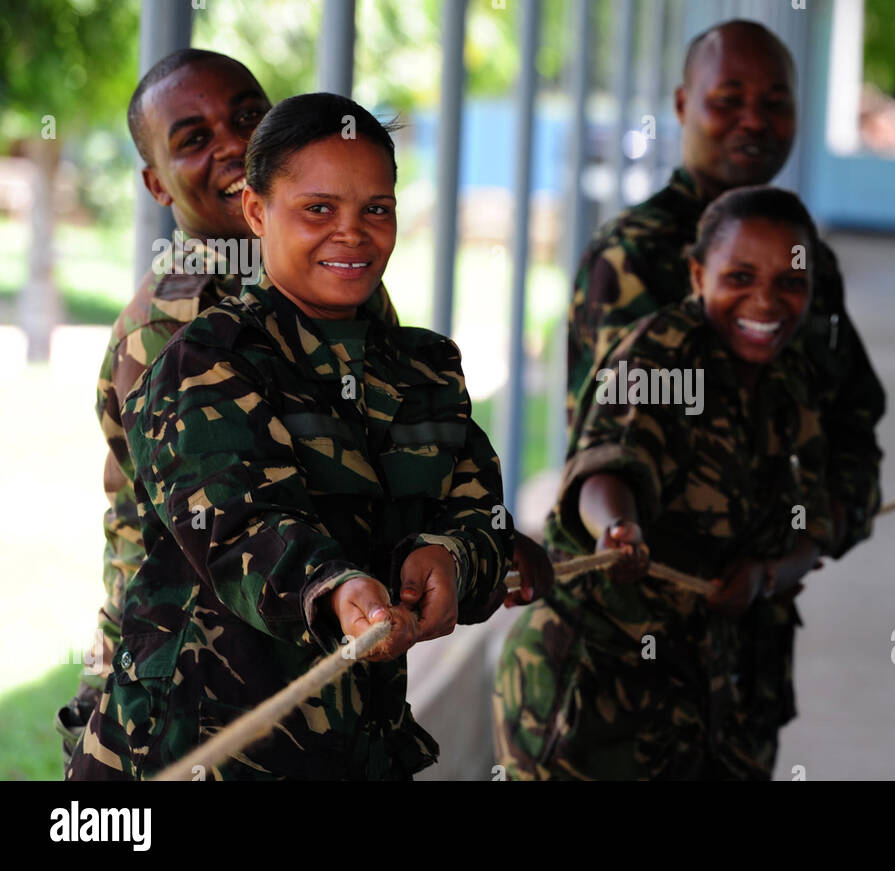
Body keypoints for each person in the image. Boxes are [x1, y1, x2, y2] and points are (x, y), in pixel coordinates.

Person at [67, 93, 548, 781]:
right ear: (258, 212)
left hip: (357, 743)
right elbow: (235, 521)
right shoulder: (204, 356)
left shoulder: (425, 366)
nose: (351, 233)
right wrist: (332, 584)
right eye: (318, 208)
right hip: (201, 743)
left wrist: (452, 558)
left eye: (375, 209)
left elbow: (474, 508)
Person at [554, 18, 886, 772]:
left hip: (746, 653)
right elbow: (612, 446)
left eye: (775, 101)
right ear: (681, 104)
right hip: (631, 651)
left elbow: (850, 425)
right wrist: (622, 528)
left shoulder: (809, 257)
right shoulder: (634, 254)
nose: (753, 120)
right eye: (727, 98)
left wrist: (803, 547)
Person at [495, 187, 840, 779]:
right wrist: (617, 526)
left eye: (790, 281)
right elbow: (608, 464)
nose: (767, 300)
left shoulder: (795, 373)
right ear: (697, 273)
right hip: (592, 687)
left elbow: (814, 518)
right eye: (740, 276)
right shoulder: (663, 351)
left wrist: (768, 575)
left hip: (706, 685)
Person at [55, 49, 279, 765]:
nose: (234, 144)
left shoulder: (324, 275)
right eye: (194, 138)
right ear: (157, 184)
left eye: (248, 116)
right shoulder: (169, 331)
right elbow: (245, 527)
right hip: (189, 696)